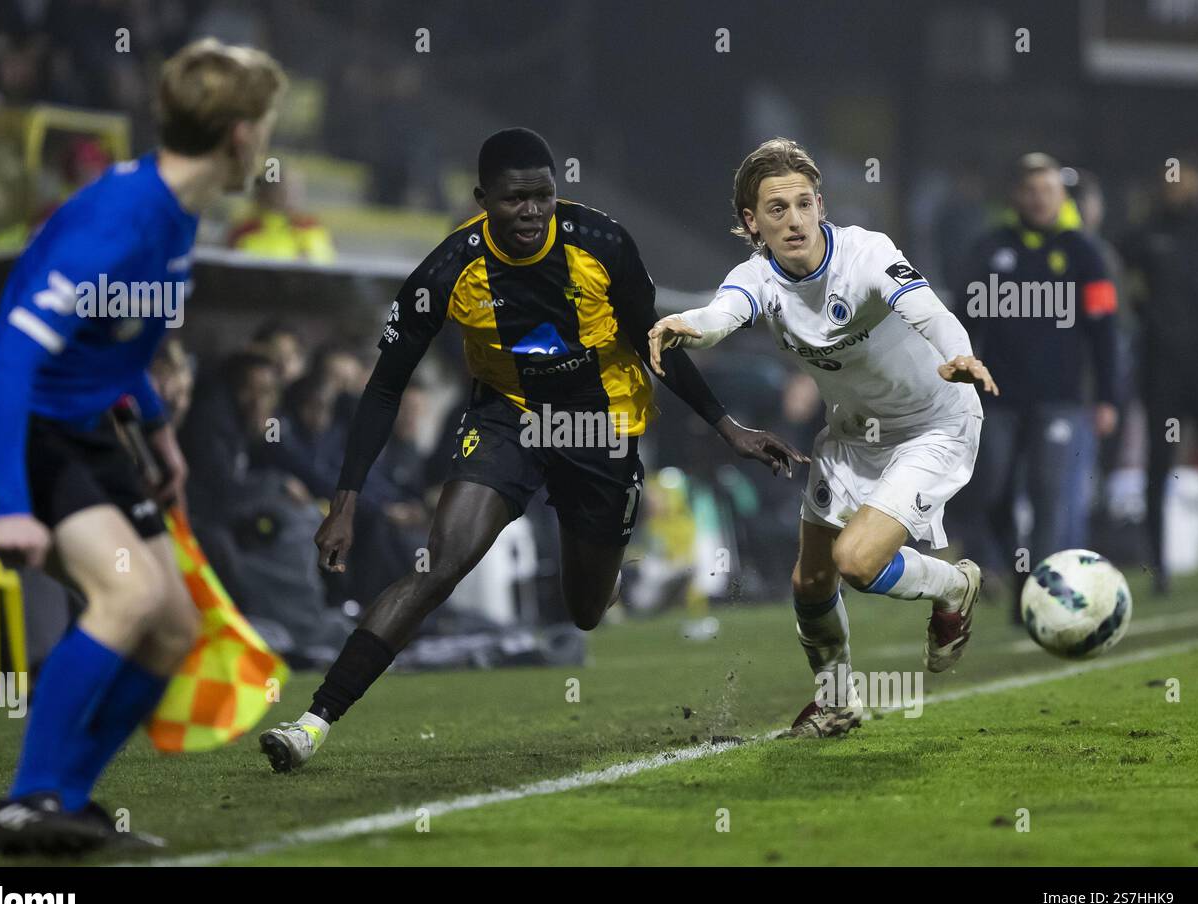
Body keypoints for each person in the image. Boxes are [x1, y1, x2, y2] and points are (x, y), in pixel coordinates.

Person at [260, 127, 802, 771]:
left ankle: (617, 566)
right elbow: (383, 388)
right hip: (509, 421)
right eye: (515, 199)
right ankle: (314, 722)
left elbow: (657, 345)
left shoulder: (603, 244)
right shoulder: (446, 270)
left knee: (585, 611)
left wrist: (726, 427)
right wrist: (344, 501)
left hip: (603, 430)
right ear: (482, 198)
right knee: (440, 565)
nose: (531, 212)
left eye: (542, 196)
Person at [0, 39, 285, 854]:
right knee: (125, 599)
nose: (265, 143)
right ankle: (24, 803)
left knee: (172, 630)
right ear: (239, 136)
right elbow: (16, 356)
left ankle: (64, 804)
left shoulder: (172, 207)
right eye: (264, 125)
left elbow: (118, 343)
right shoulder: (121, 222)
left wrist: (158, 432)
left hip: (83, 424)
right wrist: (14, 506)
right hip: (4, 417)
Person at [648, 138, 997, 738]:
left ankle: (955, 584)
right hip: (854, 433)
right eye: (776, 209)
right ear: (750, 222)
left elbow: (929, 311)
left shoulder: (866, 256)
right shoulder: (757, 277)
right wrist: (687, 325)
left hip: (933, 422)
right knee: (811, 581)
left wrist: (959, 355)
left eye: (804, 204)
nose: (794, 220)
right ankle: (837, 702)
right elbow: (721, 315)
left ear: (820, 205)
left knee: (857, 563)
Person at [956, 153, 1120, 609]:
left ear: (1061, 196)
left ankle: (1038, 592)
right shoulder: (989, 249)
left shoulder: (1084, 252)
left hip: (1061, 399)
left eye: (1048, 190)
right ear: (1016, 196)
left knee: (1049, 496)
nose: (1040, 199)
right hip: (997, 397)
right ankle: (1004, 566)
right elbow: (963, 323)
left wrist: (1107, 396)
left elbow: (1104, 327)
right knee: (993, 488)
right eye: (1031, 190)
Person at [1121, 160, 1198, 592]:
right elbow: (1122, 276)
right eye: (1168, 181)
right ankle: (1158, 566)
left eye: (1182, 179)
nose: (1174, 187)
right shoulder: (1146, 233)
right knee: (1159, 464)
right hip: (1163, 367)